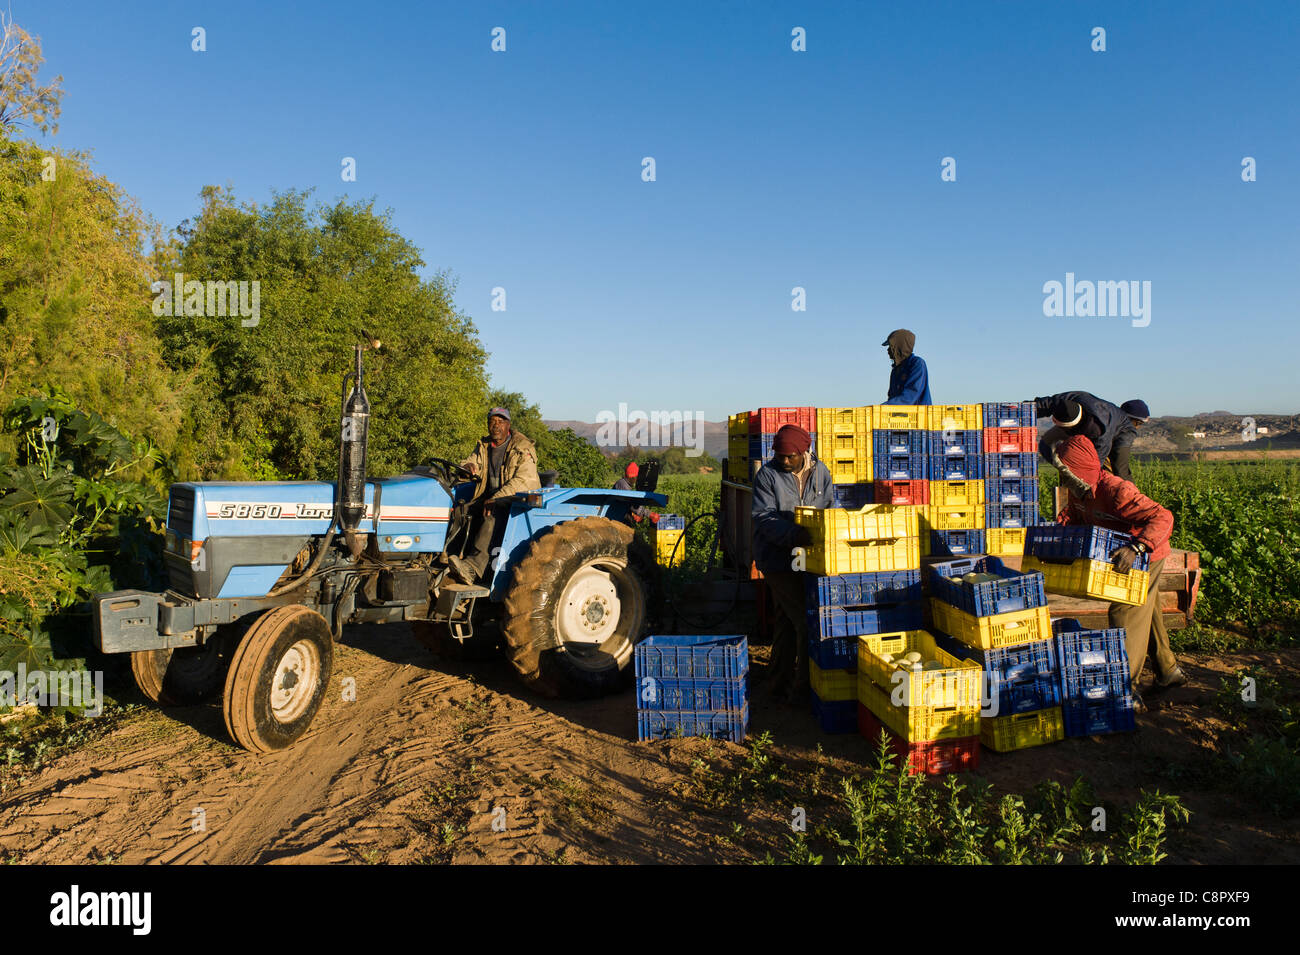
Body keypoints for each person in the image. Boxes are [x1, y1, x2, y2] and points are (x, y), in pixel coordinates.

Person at [1054, 436, 1187, 711]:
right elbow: (1076, 518)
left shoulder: (1117, 490)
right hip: (1126, 555)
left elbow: (1163, 517)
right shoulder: (1080, 494)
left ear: (1082, 471)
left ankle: (1126, 689)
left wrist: (1137, 546)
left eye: (1068, 473)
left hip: (1145, 555)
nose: (1064, 480)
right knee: (1147, 611)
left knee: (1125, 612)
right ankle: (1168, 670)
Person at [751, 424, 833, 704]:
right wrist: (792, 534)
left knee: (786, 619)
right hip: (777, 558)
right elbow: (763, 516)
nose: (784, 461)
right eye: (780, 455)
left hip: (808, 557)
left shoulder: (820, 472)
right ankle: (802, 689)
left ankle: (778, 682)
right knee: (804, 619)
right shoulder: (767, 475)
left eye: (790, 456)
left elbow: (830, 508)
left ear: (803, 452)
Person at [448, 407, 540, 585]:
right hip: (490, 496)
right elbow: (472, 461)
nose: (496, 425)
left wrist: (496, 499)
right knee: (462, 508)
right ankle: (449, 556)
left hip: (515, 499)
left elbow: (524, 480)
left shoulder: (522, 448)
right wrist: (468, 466)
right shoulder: (484, 445)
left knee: (490, 516)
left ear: (508, 425)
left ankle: (473, 568)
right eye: (492, 421)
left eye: (500, 421)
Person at [1032, 391, 1131, 493]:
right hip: (1083, 420)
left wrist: (1089, 481)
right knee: (1046, 444)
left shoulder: (1098, 430)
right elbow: (1043, 404)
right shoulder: (1068, 400)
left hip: (1121, 427)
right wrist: (1021, 411)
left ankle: (1125, 496)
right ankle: (1069, 478)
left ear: (1071, 425)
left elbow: (1095, 461)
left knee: (1119, 468)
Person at [882, 329, 931, 405]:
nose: (888, 350)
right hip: (900, 416)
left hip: (919, 415)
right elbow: (892, 396)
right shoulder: (895, 371)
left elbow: (909, 396)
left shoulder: (917, 364)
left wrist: (884, 407)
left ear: (899, 347)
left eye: (891, 346)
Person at [1108, 399, 1150, 483]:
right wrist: (1132, 491)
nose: (1137, 428)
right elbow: (1121, 468)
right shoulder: (1124, 433)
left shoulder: (1108, 427)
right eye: (1138, 423)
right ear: (1127, 418)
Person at [613, 462, 657, 526]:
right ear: (632, 477)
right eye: (636, 477)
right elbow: (631, 503)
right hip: (616, 516)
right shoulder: (623, 485)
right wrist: (649, 514)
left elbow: (626, 503)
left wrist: (633, 514)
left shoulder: (624, 484)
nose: (637, 480)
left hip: (620, 513)